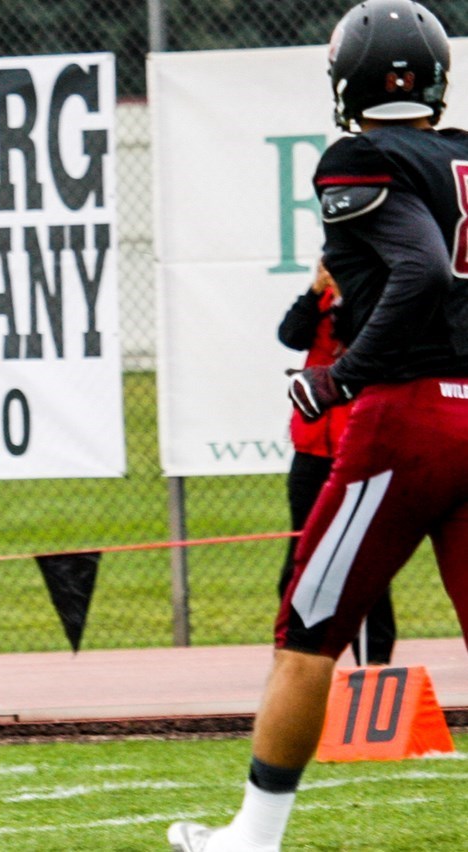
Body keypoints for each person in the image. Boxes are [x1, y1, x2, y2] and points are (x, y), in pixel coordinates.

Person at [169, 2, 468, 849]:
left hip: (405, 421)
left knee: (307, 632)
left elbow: (420, 273)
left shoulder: (359, 156)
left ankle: (254, 838)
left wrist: (342, 376)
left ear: (348, 81)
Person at [276, 261, 396, 666]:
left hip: (359, 447)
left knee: (366, 558)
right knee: (299, 559)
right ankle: (296, 658)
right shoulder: (321, 300)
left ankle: (375, 661)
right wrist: (315, 294)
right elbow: (290, 335)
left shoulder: (379, 299)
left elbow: (358, 340)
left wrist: (351, 295)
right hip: (311, 451)